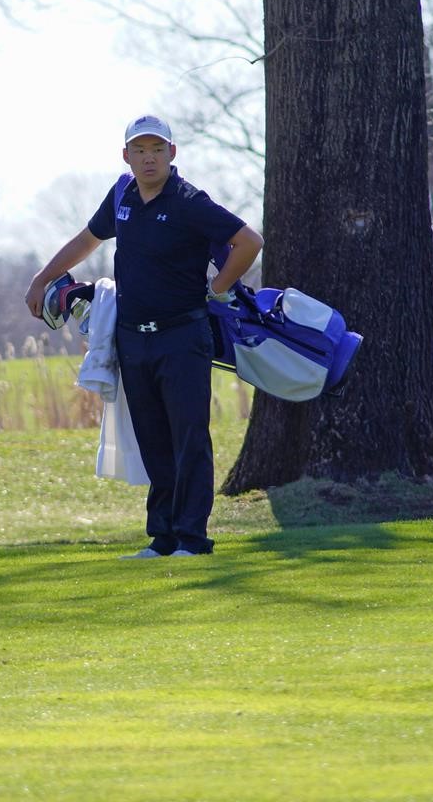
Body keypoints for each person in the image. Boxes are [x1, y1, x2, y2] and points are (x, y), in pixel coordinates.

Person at [26, 115, 263, 558]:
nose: (148, 157)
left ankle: (192, 538)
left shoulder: (189, 200)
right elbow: (86, 241)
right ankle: (164, 537)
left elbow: (249, 241)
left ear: (172, 153)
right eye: (140, 150)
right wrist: (43, 278)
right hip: (133, 338)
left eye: (157, 149)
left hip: (183, 336)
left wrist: (217, 289)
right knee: (153, 437)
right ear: (126, 156)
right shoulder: (122, 195)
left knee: (188, 437)